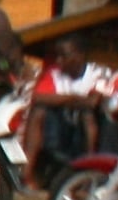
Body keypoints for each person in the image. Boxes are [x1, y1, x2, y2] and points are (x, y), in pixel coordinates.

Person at [25, 38, 113, 183]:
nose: (59, 61)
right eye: (57, 56)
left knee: (87, 114)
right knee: (38, 111)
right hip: (62, 125)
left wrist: (62, 99)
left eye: (63, 55)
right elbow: (38, 98)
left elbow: (92, 102)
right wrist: (73, 98)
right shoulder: (54, 72)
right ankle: (27, 173)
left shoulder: (99, 71)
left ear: (79, 55)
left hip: (92, 128)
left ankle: (88, 175)